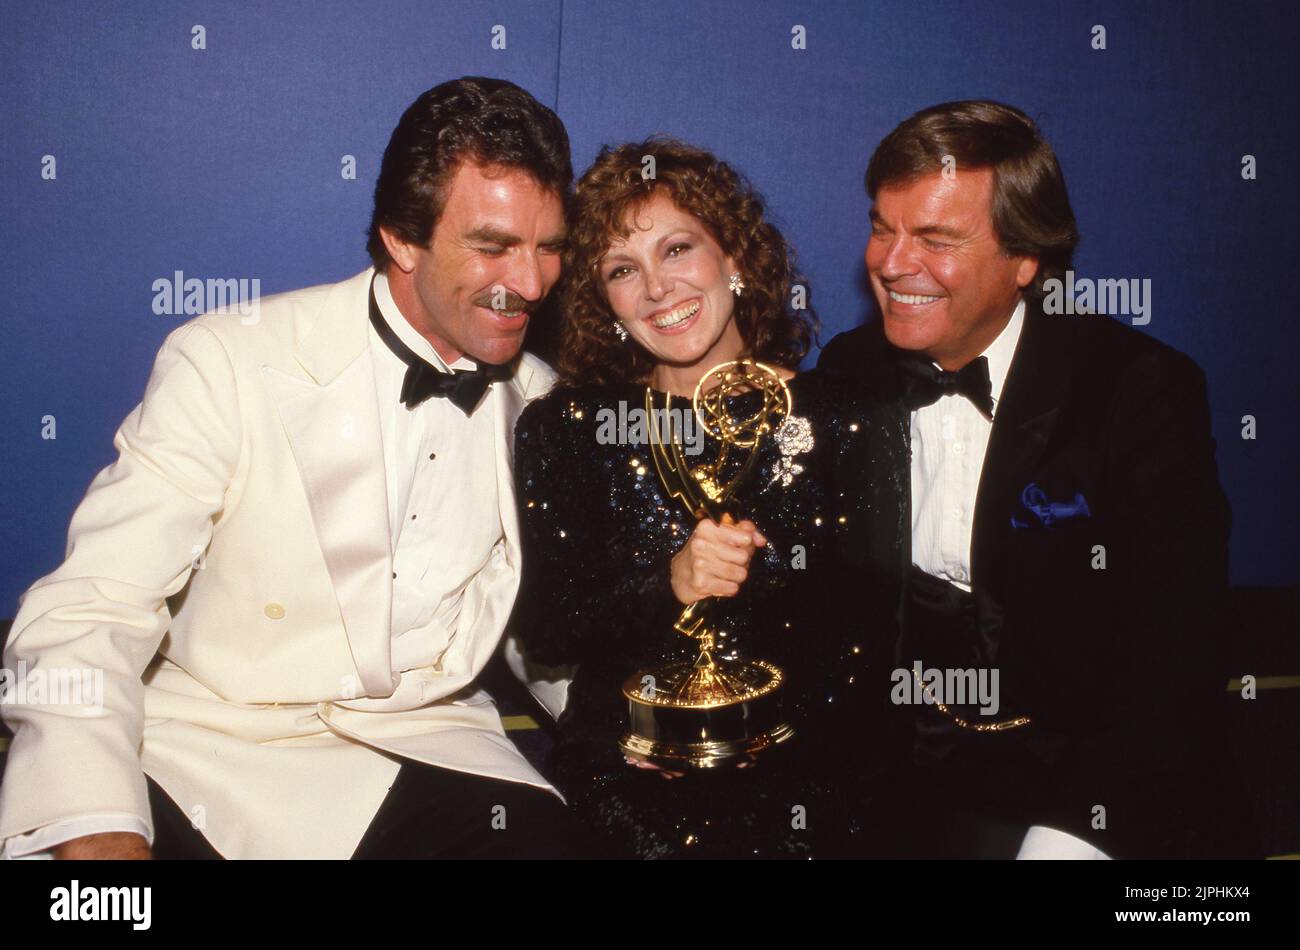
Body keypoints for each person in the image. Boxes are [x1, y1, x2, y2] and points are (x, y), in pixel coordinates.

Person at [0, 76, 601, 859]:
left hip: (431, 743)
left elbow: (543, 626)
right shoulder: (230, 359)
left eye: (548, 247)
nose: (528, 284)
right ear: (402, 238)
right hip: (211, 747)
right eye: (492, 247)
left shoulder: (541, 402)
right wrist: (95, 825)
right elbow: (90, 610)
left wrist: (643, 725)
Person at [819, 100, 1245, 859]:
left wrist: (1075, 834)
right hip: (906, 778)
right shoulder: (850, 373)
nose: (889, 263)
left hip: (1087, 773)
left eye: (936, 238)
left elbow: (1176, 652)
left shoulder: (1140, 391)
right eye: (884, 227)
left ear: (1026, 260)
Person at [509, 138, 901, 859]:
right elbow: (549, 630)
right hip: (626, 774)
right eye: (624, 269)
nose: (658, 288)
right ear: (604, 302)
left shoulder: (842, 417)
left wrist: (771, 740)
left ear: (736, 259)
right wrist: (671, 584)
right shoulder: (567, 429)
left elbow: (872, 635)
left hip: (805, 777)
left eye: (678, 249)